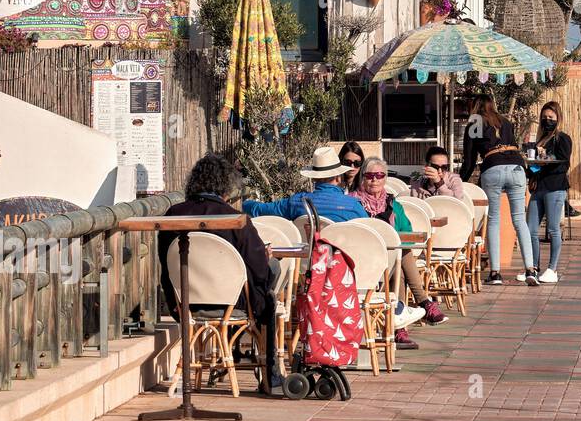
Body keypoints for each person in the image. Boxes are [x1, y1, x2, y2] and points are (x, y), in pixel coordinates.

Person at [160, 154, 280, 390]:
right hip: (232, 304)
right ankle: (270, 374)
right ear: (226, 186)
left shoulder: (173, 214)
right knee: (269, 282)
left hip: (184, 302)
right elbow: (259, 271)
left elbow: (165, 261)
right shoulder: (236, 219)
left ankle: (230, 354)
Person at [352, 157, 448, 343]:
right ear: (363, 177)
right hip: (365, 262)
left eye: (379, 175)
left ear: (385, 178)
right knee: (400, 257)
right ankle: (419, 306)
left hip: (389, 262)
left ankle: (402, 325)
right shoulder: (354, 204)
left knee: (400, 254)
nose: (375, 180)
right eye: (370, 175)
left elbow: (408, 235)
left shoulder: (394, 205)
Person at [461, 95, 538, 286]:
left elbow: (469, 160)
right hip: (517, 167)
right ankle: (531, 269)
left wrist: (459, 181)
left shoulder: (475, 122)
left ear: (475, 106)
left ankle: (495, 273)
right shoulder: (504, 121)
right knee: (520, 219)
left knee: (493, 220)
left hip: (493, 167)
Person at [242, 146, 370, 223]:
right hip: (341, 264)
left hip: (305, 262)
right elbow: (369, 232)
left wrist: (244, 204)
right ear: (338, 177)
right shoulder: (353, 205)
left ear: (314, 178)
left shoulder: (296, 202)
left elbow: (261, 210)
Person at [524, 101, 571, 284]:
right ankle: (533, 267)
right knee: (531, 230)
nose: (547, 120)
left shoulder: (562, 138)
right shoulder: (540, 139)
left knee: (552, 229)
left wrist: (547, 158)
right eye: (544, 118)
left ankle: (552, 268)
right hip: (539, 187)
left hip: (555, 187)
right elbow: (536, 167)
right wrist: (531, 169)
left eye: (551, 118)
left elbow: (564, 163)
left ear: (558, 118)